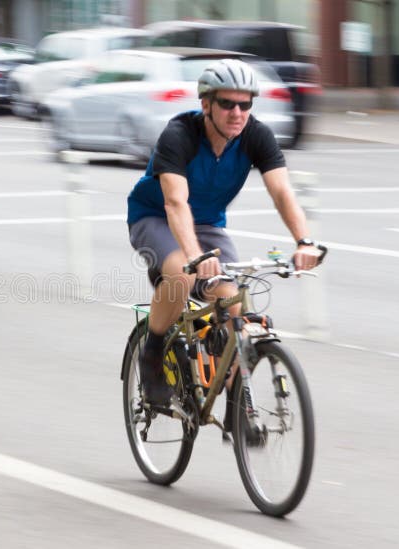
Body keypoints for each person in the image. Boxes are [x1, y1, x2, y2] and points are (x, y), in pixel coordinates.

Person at [126, 58, 323, 406]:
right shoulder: (179, 135)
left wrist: (303, 241)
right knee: (181, 276)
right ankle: (152, 355)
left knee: (234, 306)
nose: (237, 112)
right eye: (227, 103)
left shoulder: (256, 135)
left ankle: (236, 404)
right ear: (206, 104)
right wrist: (192, 256)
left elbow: (281, 191)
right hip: (154, 217)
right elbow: (174, 203)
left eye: (245, 104)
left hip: (207, 225)